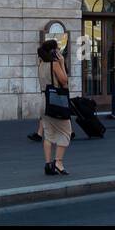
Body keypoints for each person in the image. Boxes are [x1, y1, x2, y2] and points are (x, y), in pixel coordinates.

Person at [37, 39, 72, 175]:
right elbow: (64, 82)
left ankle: (48, 164)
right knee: (66, 131)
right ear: (54, 51)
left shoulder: (40, 64)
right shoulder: (55, 64)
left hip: (43, 100)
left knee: (48, 133)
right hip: (56, 101)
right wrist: (62, 63)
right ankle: (58, 162)